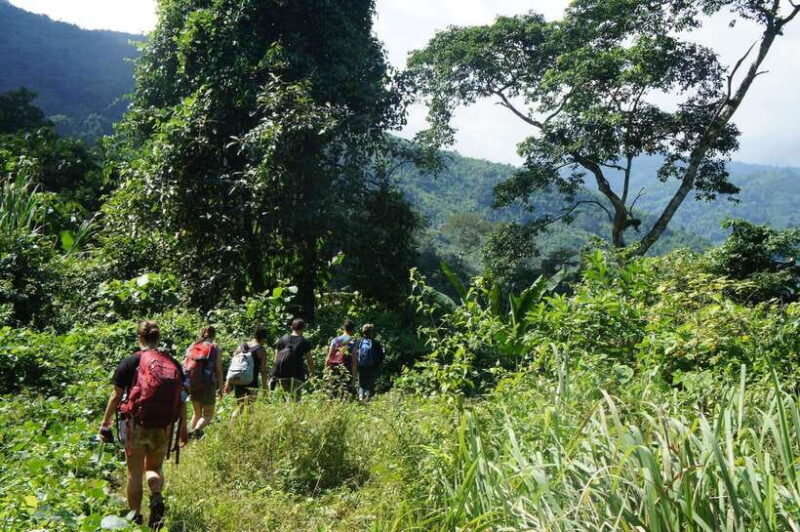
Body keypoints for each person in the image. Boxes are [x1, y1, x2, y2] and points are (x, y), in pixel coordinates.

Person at [98, 321, 187, 530]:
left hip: (135, 424)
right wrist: (183, 427)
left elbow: (116, 396)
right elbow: (182, 398)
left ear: (140, 338)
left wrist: (105, 423)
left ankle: (136, 518)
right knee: (154, 468)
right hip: (163, 426)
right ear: (159, 338)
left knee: (134, 474)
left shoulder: (131, 362)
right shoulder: (172, 362)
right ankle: (156, 495)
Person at [183, 325, 223, 440]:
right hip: (208, 384)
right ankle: (197, 431)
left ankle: (187, 439)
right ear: (214, 335)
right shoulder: (215, 348)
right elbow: (219, 370)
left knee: (196, 414)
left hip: (193, 383)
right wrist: (220, 387)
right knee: (208, 415)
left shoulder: (193, 346)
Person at [223, 326, 269, 406]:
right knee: (249, 408)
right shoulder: (261, 350)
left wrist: (228, 382)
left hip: (239, 380)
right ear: (263, 338)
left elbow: (233, 365)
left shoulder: (241, 347)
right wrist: (265, 389)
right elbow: (263, 371)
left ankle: (233, 419)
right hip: (252, 382)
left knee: (240, 407)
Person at [271, 318, 315, 396]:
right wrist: (312, 374)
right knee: (295, 399)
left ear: (292, 327)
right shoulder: (304, 342)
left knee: (284, 398)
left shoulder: (282, 339)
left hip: (282, 375)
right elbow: (309, 360)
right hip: (297, 375)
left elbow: (276, 358)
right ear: (303, 328)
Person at [324, 319, 358, 398]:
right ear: (353, 329)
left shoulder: (335, 340)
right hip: (346, 372)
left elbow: (328, 359)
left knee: (332, 395)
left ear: (343, 328)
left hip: (334, 370)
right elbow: (354, 362)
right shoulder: (354, 342)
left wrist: (325, 373)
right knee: (345, 397)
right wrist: (353, 379)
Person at [355, 323, 384, 402]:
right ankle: (368, 399)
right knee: (370, 384)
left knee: (361, 384)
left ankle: (361, 398)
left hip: (361, 367)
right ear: (371, 332)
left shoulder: (359, 342)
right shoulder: (375, 343)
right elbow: (381, 356)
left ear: (363, 332)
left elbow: (354, 354)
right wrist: (377, 365)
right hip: (372, 367)